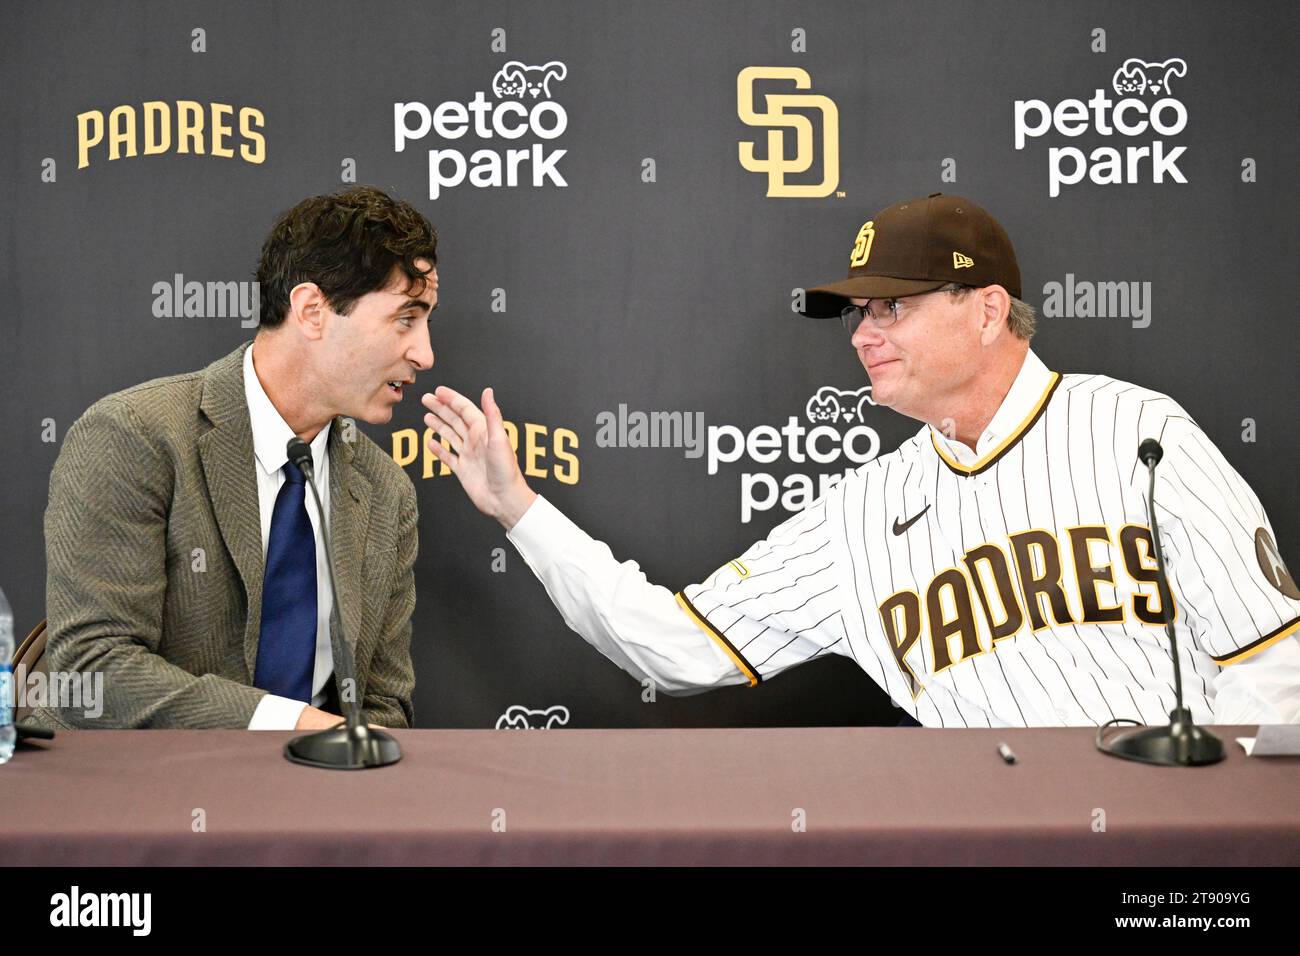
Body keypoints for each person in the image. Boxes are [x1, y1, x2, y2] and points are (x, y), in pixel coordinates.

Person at [423, 192, 1300, 727]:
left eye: (892, 308)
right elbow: (675, 648)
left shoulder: (1139, 434)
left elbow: (1273, 665)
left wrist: (1212, 850)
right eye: (855, 314)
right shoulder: (862, 513)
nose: (863, 334)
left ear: (988, 309)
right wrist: (519, 511)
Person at [32, 186, 435, 730]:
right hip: (137, 795)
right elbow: (94, 673)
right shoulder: (134, 435)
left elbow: (383, 706)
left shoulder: (385, 490)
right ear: (313, 310)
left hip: (317, 797)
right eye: (405, 318)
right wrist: (296, 727)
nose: (425, 354)